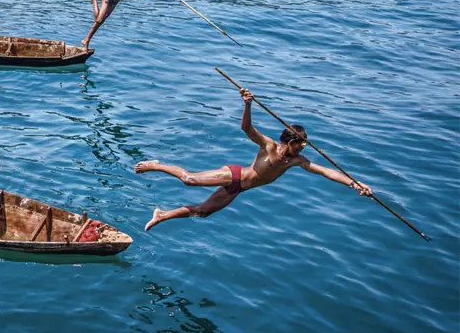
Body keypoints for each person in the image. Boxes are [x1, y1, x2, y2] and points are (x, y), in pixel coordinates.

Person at [135, 87, 373, 231]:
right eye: (300, 145)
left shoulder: (297, 161)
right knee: (189, 179)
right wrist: (247, 105)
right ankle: (157, 165)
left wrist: (355, 183)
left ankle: (162, 214)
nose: (302, 150)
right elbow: (247, 128)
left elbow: (326, 171)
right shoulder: (268, 145)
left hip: (239, 189)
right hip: (235, 174)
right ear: (288, 142)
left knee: (203, 211)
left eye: (303, 146)